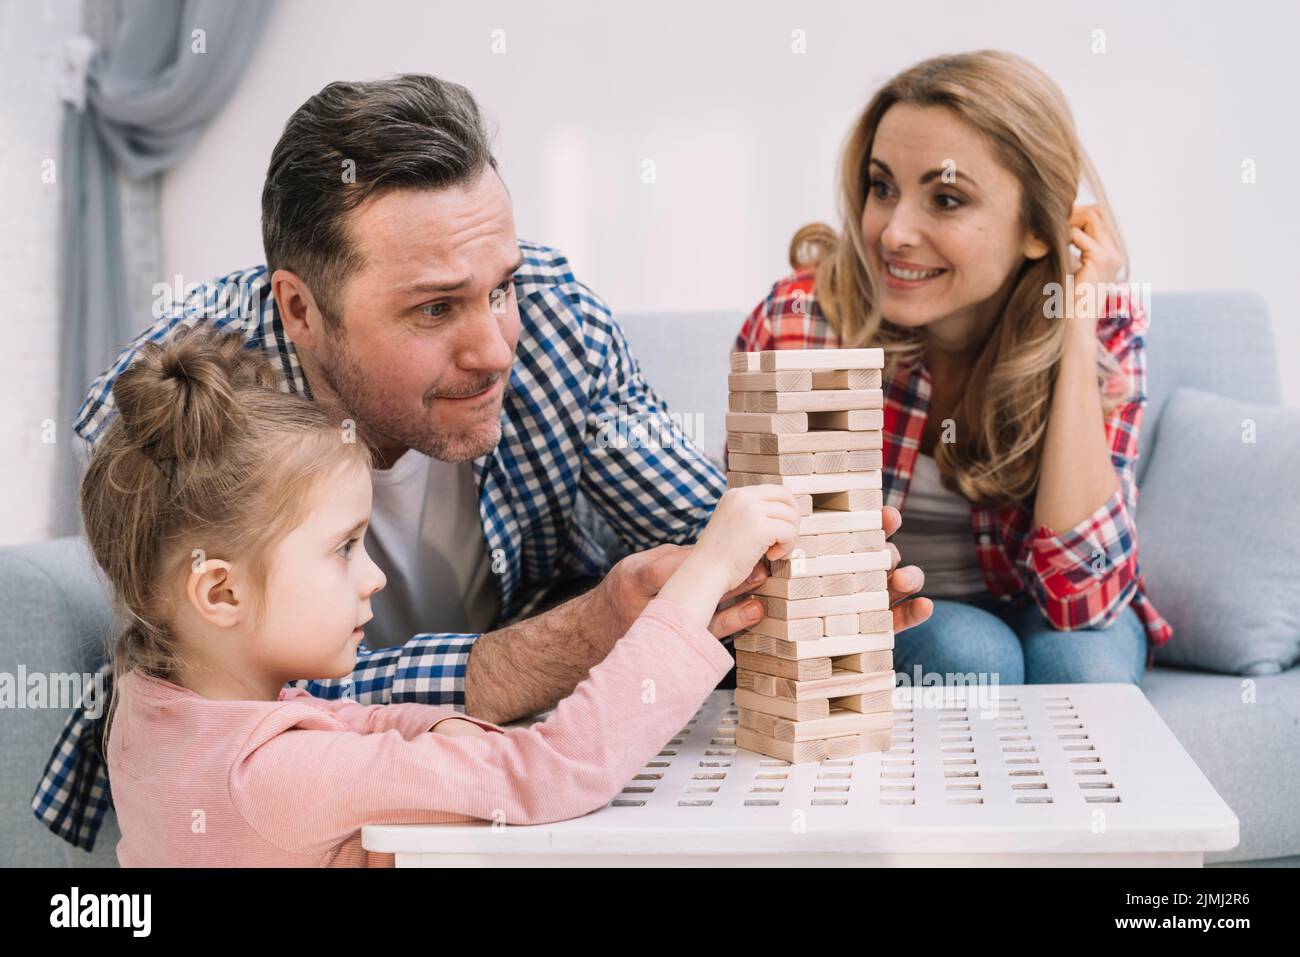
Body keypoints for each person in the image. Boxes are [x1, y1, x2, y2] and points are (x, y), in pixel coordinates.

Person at [36, 73, 932, 852]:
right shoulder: (187, 410)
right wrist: (571, 640)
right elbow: (248, 689)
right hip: (408, 765)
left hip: (461, 742)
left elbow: (701, 522)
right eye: (434, 310)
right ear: (300, 309)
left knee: (946, 642)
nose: (497, 346)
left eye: (498, 287)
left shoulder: (551, 323)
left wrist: (808, 579)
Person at [83, 330, 802, 866]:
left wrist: (436, 734)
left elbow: (341, 725)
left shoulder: (152, 711)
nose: (374, 577)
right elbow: (548, 773)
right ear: (220, 590)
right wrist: (703, 572)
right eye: (343, 549)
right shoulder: (271, 777)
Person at [734, 51, 1171, 688]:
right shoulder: (806, 318)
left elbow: (1085, 599)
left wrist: (1074, 329)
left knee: (1084, 662)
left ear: (1037, 230)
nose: (892, 233)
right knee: (971, 652)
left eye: (945, 198)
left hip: (1042, 605)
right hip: (878, 610)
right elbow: (769, 568)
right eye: (882, 188)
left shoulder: (1100, 322)